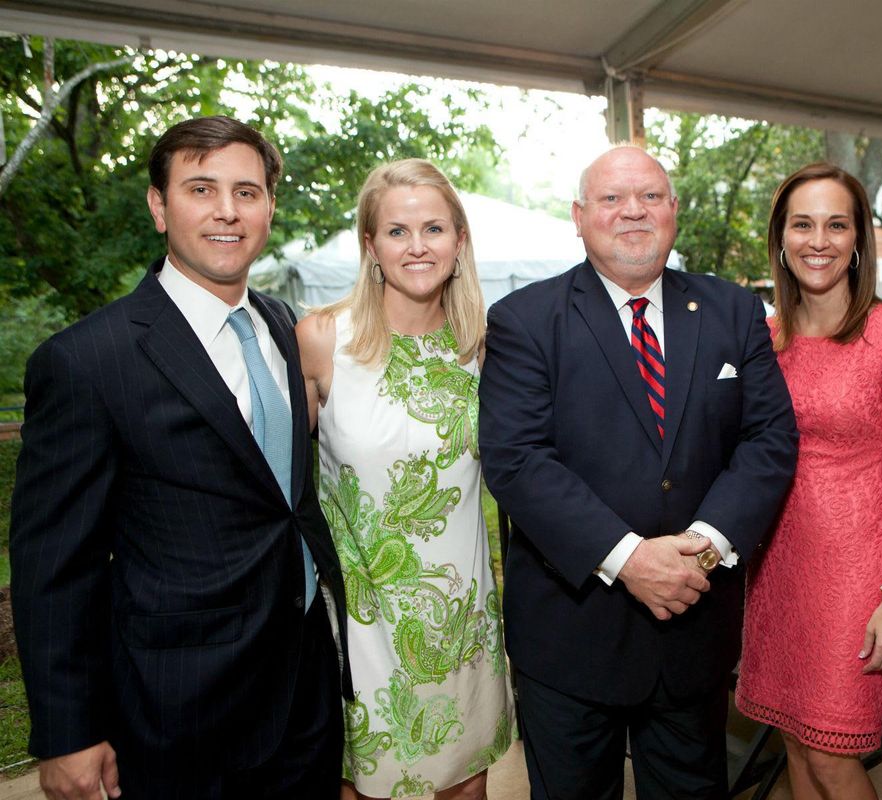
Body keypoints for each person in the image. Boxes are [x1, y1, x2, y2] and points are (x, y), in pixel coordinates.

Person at [9, 116, 351, 799]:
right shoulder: (86, 361)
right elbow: (55, 567)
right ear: (159, 206)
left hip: (304, 687)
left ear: (269, 208)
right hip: (178, 710)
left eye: (247, 192)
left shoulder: (285, 326)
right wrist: (67, 731)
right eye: (201, 189)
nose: (227, 210)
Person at [478, 145, 798, 799]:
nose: (633, 211)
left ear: (673, 210)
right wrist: (628, 559)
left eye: (650, 196)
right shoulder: (524, 319)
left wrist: (701, 549)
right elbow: (517, 459)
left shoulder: (733, 311)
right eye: (612, 198)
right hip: (571, 637)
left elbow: (768, 440)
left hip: (693, 624)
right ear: (579, 217)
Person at [296, 159, 514, 800]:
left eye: (434, 229)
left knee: (465, 788)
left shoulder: (482, 347)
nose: (417, 246)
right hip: (361, 623)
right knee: (368, 786)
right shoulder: (322, 339)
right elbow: (280, 487)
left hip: (462, 619)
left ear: (459, 240)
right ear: (371, 245)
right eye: (397, 231)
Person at [737, 163, 882, 799]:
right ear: (781, 240)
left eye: (836, 225)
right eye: (803, 225)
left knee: (832, 751)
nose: (819, 241)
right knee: (794, 737)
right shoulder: (766, 340)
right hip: (777, 564)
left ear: (858, 240)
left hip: (856, 572)